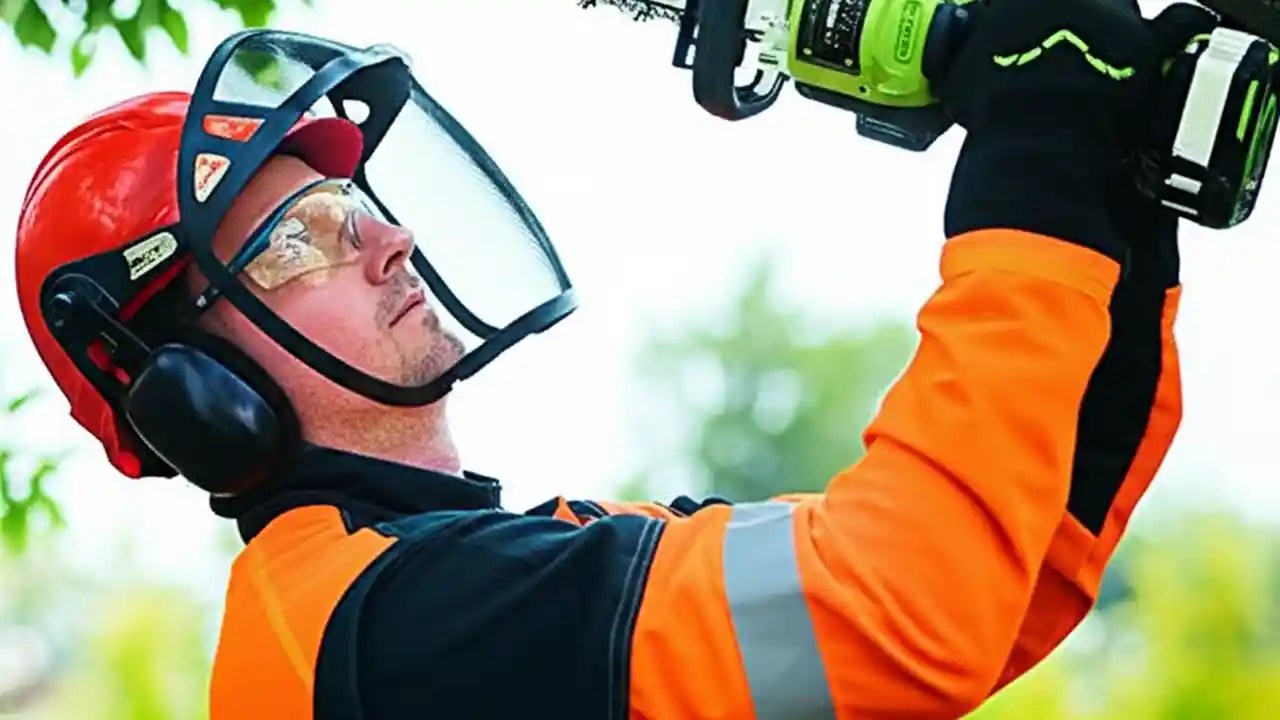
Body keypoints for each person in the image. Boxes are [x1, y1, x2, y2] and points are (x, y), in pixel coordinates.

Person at [12, 0, 1211, 716]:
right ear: (185, 393)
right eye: (303, 238)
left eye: (353, 200)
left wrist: (1107, 194)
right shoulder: (390, 626)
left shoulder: (485, 573)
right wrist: (1036, 147)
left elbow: (1005, 578)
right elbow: (905, 607)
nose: (389, 236)